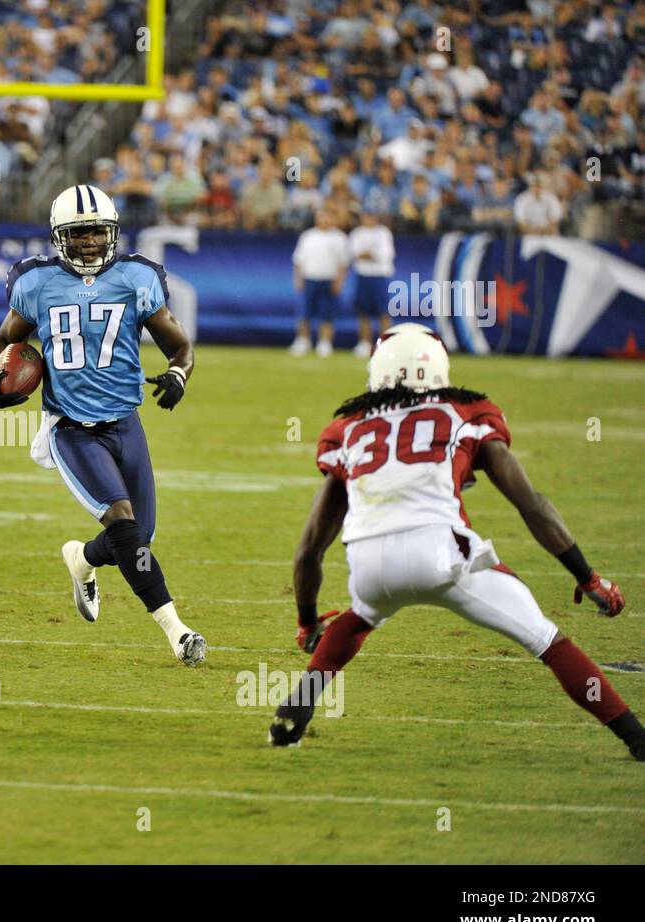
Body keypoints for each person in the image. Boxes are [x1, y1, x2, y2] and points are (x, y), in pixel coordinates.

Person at [272, 324, 642, 760]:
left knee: (358, 617)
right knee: (547, 639)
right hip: (440, 555)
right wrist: (588, 578)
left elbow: (309, 548)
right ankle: (636, 738)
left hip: (368, 564)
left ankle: (291, 716)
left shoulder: (349, 427)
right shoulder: (465, 412)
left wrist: (307, 622)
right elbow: (532, 505)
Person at [0, 185, 205, 666]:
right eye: (79, 235)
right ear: (60, 238)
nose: (90, 243)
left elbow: (179, 346)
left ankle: (82, 559)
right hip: (71, 426)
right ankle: (177, 632)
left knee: (137, 540)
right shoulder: (36, 283)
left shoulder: (137, 278)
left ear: (113, 231)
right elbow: (5, 341)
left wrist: (179, 375)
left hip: (125, 422)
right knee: (122, 523)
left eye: (98, 233)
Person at [290, 205, 349, 357]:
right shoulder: (308, 236)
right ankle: (303, 341)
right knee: (304, 312)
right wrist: (298, 279)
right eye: (322, 216)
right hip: (309, 279)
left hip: (329, 280)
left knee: (327, 314)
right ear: (317, 218)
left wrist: (339, 282)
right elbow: (298, 261)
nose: (325, 220)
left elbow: (343, 264)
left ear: (333, 219)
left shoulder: (339, 238)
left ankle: (325, 343)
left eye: (329, 216)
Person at [347, 209, 396, 358]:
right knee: (363, 312)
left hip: (380, 276)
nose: (368, 219)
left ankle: (387, 344)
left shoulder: (383, 233)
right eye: (366, 216)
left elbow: (386, 255)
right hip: (363, 276)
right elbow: (354, 254)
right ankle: (364, 343)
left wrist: (368, 254)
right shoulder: (357, 233)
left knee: (384, 312)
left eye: (371, 216)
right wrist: (369, 254)